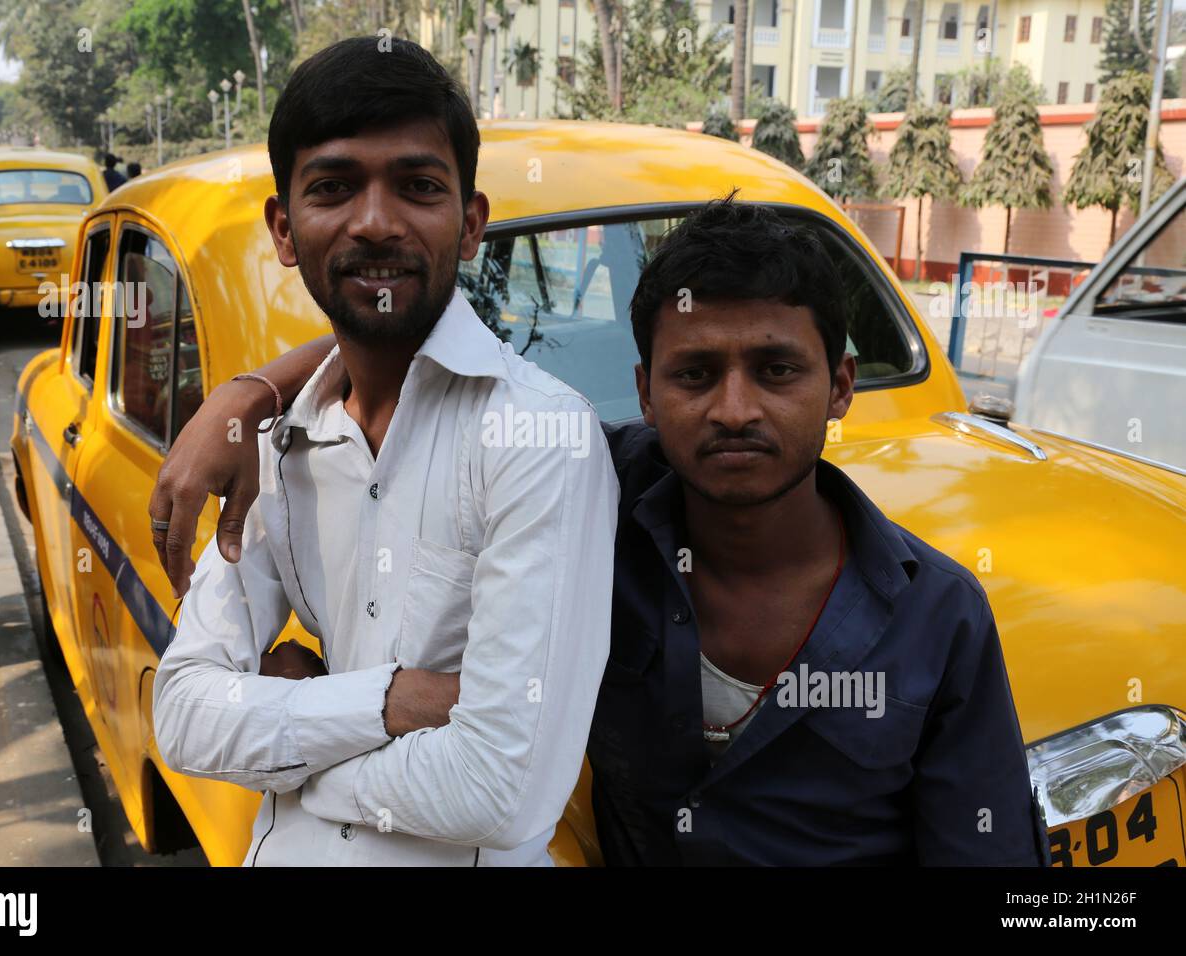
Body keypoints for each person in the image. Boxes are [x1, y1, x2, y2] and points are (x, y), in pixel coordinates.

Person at [154, 188, 1049, 865]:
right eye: (696, 375)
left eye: (777, 370)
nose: (735, 410)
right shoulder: (584, 490)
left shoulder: (938, 618)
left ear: (840, 385)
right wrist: (254, 395)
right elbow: (408, 353)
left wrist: (304, 761)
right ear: (647, 389)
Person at [149, 37, 617, 866]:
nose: (374, 221)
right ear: (285, 229)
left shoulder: (540, 437)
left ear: (470, 224)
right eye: (334, 187)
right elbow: (183, 713)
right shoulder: (276, 445)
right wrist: (392, 699)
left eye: (418, 186)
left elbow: (501, 791)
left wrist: (295, 758)